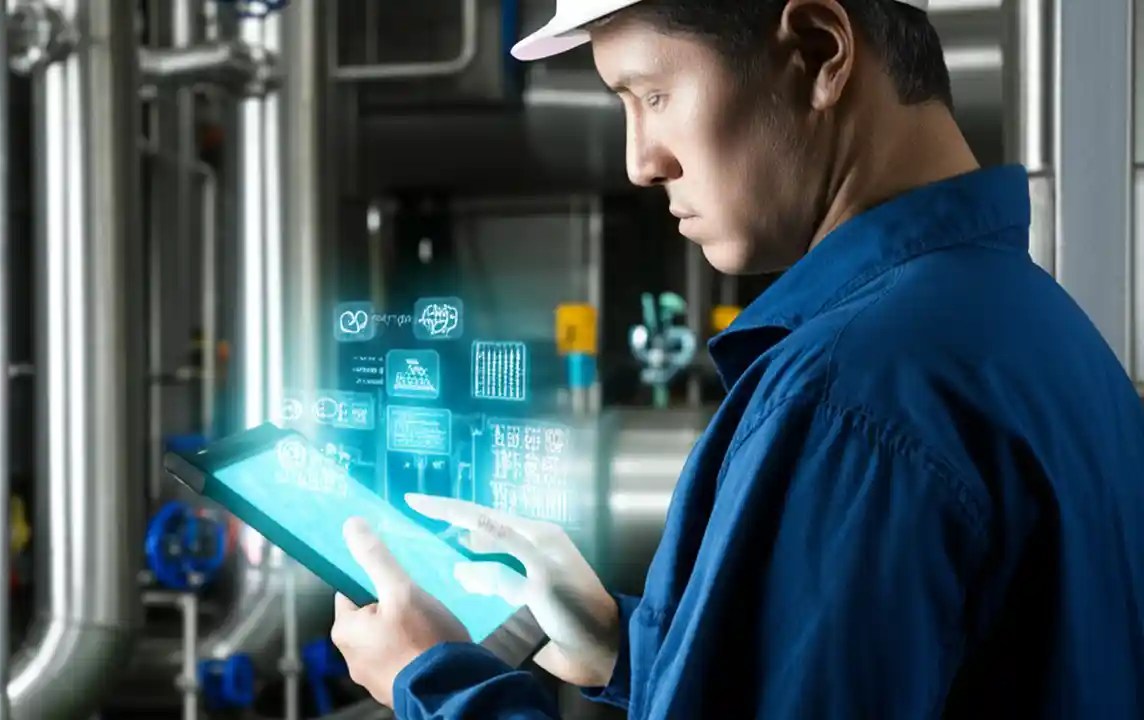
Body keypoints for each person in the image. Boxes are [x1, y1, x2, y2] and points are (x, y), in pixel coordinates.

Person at [331, 0, 1144, 717]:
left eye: (652, 96)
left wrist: (435, 682)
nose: (640, 161)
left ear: (821, 50)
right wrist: (620, 647)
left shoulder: (850, 392)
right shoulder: (1034, 326)